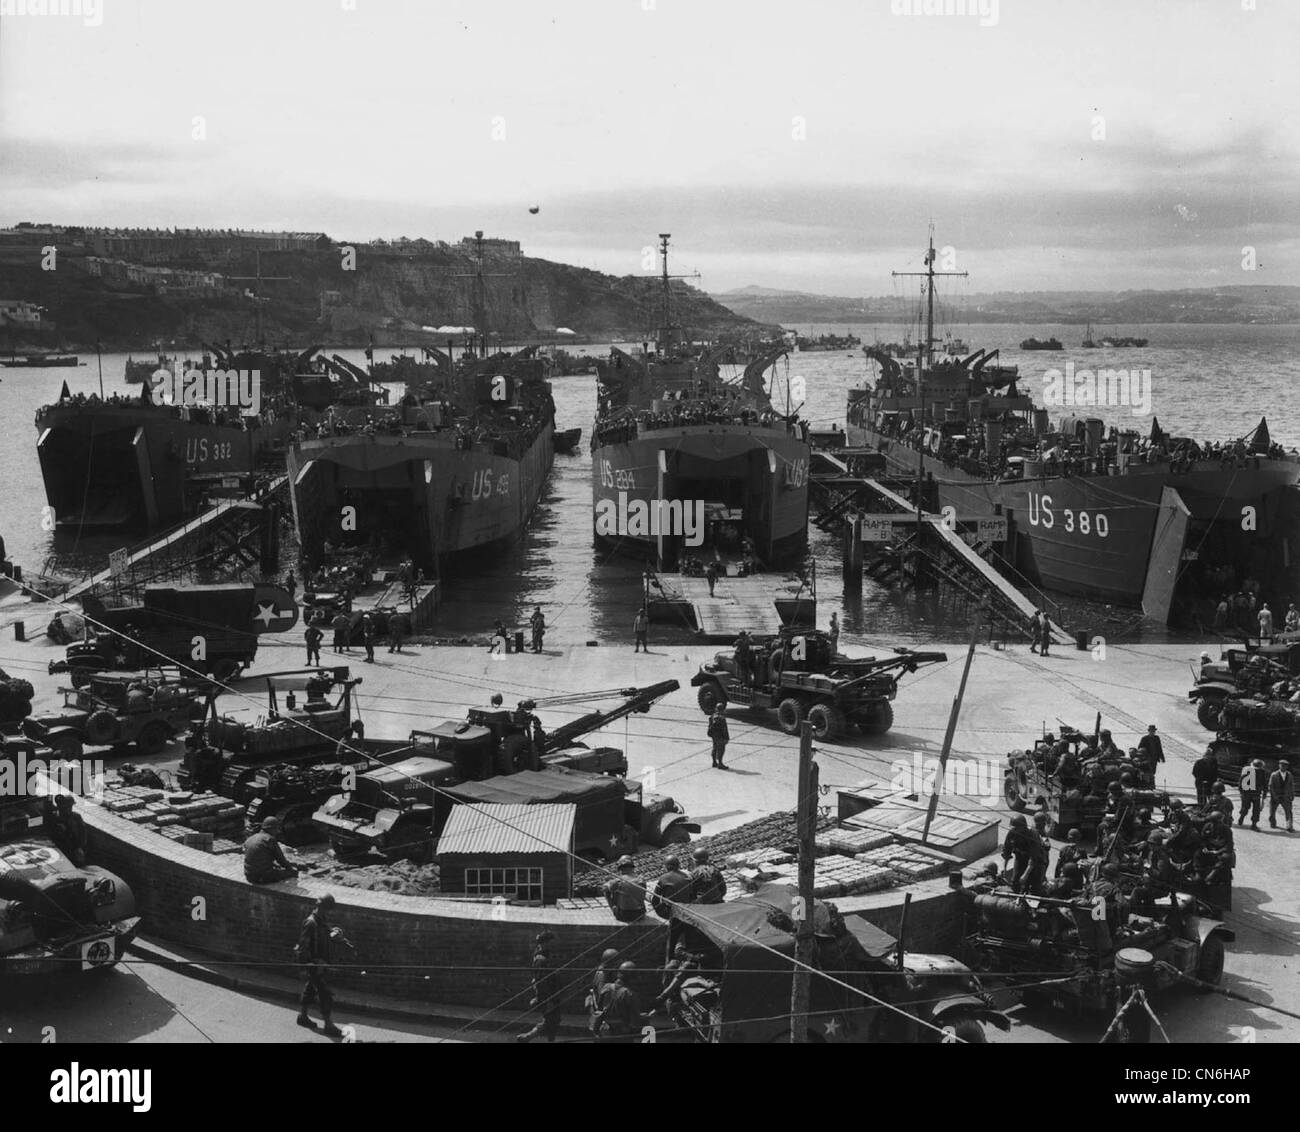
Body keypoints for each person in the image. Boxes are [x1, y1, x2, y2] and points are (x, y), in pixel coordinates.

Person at [295, 894, 344, 1036]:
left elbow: (324, 935)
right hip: (314, 964)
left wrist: (334, 932)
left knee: (310, 988)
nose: (329, 912)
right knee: (325, 994)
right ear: (322, 907)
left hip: (320, 964)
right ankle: (328, 1024)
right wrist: (307, 966)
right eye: (328, 909)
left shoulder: (321, 921)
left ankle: (303, 1017)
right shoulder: (311, 923)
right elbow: (303, 947)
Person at [516, 930, 563, 1043]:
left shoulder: (543, 954)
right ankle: (528, 1037)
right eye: (551, 942)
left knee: (553, 1019)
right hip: (549, 995)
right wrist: (547, 1000)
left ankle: (529, 1037)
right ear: (545, 942)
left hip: (552, 993)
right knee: (552, 1019)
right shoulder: (541, 959)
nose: (554, 944)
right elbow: (541, 982)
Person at [597, 962, 653, 1043]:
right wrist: (648, 1017)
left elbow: (599, 1008)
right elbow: (635, 1019)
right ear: (631, 978)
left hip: (605, 1029)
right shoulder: (629, 994)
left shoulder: (606, 987)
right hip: (622, 1032)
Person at [243, 816, 299, 884]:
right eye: (276, 829)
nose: (277, 832)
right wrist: (291, 869)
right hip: (262, 877)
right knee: (292, 872)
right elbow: (281, 860)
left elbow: (256, 858)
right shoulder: (270, 839)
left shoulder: (251, 838)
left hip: (249, 876)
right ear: (271, 829)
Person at [587, 949, 621, 1038]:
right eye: (616, 963)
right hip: (602, 1016)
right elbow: (602, 996)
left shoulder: (606, 973)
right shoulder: (602, 975)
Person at [47, 795, 87, 867]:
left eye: (70, 807)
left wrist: (79, 847)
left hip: (75, 849)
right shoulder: (55, 819)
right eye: (66, 807)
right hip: (61, 851)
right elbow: (51, 835)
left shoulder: (76, 817)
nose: (69, 809)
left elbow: (83, 833)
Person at [603, 856, 646, 923]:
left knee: (608, 891)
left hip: (623, 915)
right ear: (632, 868)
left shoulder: (617, 881)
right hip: (640, 914)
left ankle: (615, 908)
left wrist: (608, 883)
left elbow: (604, 888)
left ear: (621, 869)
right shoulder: (641, 880)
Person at [1269, 759, 1295, 831]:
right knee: (1272, 811)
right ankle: (1273, 823)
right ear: (1279, 765)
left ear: (1287, 767)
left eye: (1285, 765)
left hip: (1286, 796)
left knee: (1289, 811)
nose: (1283, 767)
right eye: (1281, 765)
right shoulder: (1274, 774)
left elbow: (1291, 785)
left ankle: (1289, 826)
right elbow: (1271, 786)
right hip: (1276, 796)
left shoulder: (1289, 775)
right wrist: (1274, 796)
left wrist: (1292, 794)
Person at [1238, 759, 1264, 830]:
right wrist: (1241, 791)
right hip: (1248, 793)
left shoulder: (1262, 772)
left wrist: (1264, 792)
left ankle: (1254, 824)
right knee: (1245, 807)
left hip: (1255, 794)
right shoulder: (1247, 771)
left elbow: (1264, 782)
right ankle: (1242, 817)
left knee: (1256, 810)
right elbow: (1241, 781)